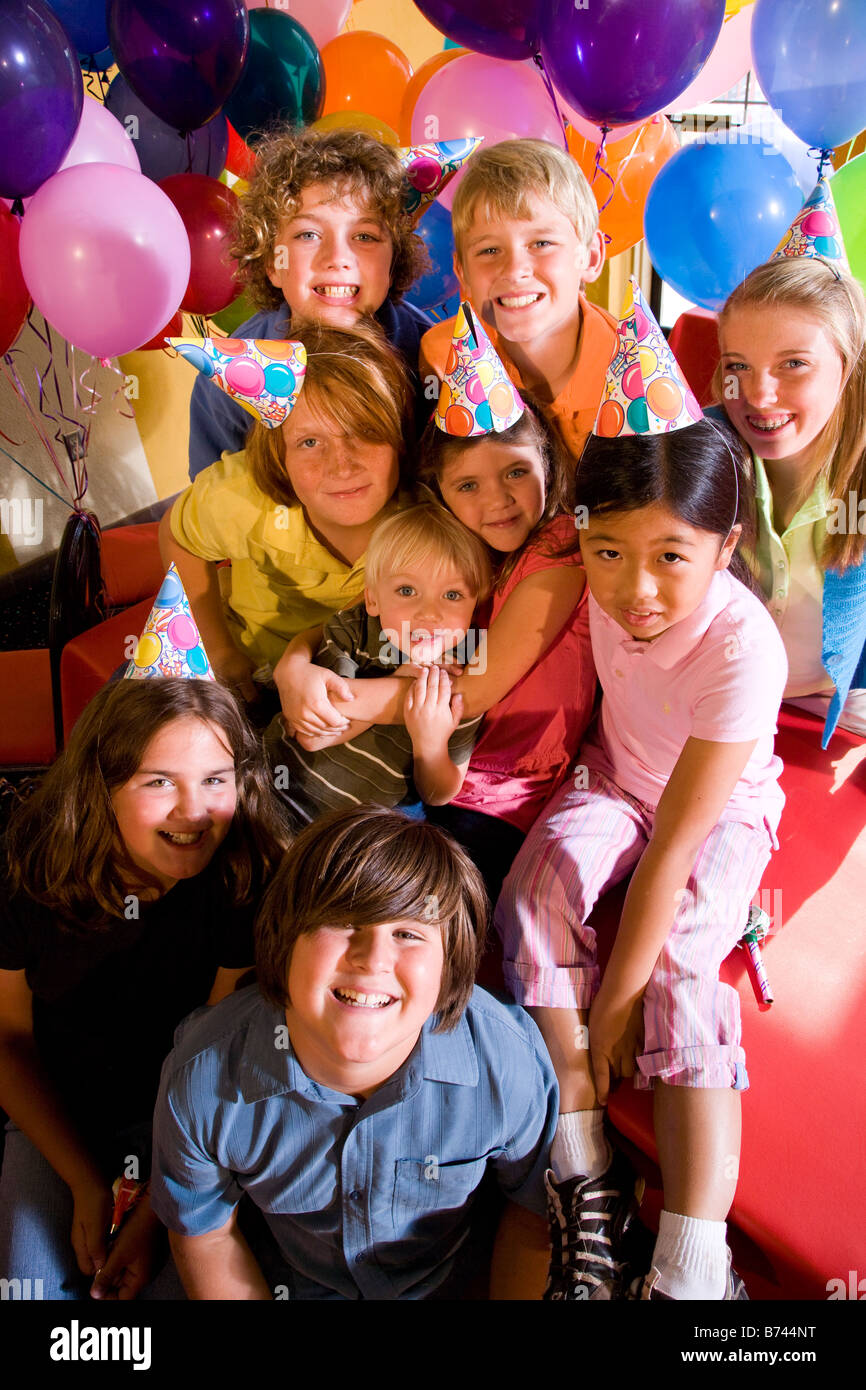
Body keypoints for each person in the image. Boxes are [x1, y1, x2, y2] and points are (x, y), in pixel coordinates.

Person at [496, 284, 789, 1301]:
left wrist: (613, 1005)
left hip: (711, 811)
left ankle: (690, 1267)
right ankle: (584, 1166)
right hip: (613, 781)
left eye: (672, 556)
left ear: (725, 543)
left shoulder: (738, 649)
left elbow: (674, 846)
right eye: (609, 554)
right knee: (532, 892)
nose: (636, 590)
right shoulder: (594, 568)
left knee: (680, 965)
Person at [149, 807, 558, 1300]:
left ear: (451, 967)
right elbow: (207, 1235)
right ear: (285, 939)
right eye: (343, 921)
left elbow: (534, 1209)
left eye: (408, 933)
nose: (373, 959)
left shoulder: (506, 1061)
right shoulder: (203, 1077)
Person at [275, 309, 597, 905]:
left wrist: (345, 704)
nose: (496, 501)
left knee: (417, 895)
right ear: (443, 492)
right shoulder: (459, 545)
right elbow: (360, 616)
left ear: (548, 464)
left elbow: (466, 693)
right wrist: (292, 667)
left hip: (500, 788)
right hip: (427, 769)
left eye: (516, 473)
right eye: (468, 485)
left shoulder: (559, 562)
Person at [0, 679, 288, 1301]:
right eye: (159, 781)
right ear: (100, 787)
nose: (194, 810)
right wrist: (83, 1182)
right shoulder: (27, 873)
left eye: (216, 779)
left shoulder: (243, 884)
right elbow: (7, 1039)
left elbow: (214, 1067)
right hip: (55, 1110)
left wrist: (158, 1205)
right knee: (27, 1287)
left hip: (190, 1124)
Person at [161, 320, 413, 704]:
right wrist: (217, 649)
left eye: (363, 431)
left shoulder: (427, 514)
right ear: (279, 456)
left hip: (361, 679)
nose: (342, 466)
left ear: (398, 434)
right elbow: (178, 537)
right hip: (250, 666)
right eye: (310, 441)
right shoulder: (242, 495)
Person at [189, 126, 430, 479]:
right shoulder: (228, 378)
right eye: (308, 235)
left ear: (393, 263)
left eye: (364, 236)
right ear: (272, 262)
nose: (337, 257)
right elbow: (210, 507)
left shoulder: (431, 357)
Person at [716, 253, 866, 745]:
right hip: (717, 692)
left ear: (849, 367)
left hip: (844, 703)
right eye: (739, 366)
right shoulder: (698, 459)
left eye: (794, 364)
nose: (759, 396)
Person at [264, 503, 489, 828]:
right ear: (372, 600)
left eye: (453, 595)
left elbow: (438, 793)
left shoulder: (465, 670)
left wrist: (430, 742)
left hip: (354, 831)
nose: (430, 613)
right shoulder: (354, 629)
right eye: (407, 590)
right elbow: (314, 733)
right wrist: (399, 684)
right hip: (279, 787)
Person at [419, 138, 614, 462]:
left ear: (591, 258)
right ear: (462, 272)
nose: (514, 270)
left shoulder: (635, 374)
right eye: (489, 250)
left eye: (541, 243)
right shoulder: (443, 359)